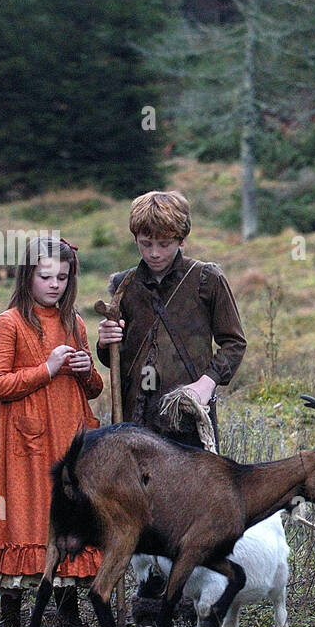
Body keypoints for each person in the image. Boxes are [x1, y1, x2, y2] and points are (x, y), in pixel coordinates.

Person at [0, 236, 104, 627]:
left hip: (66, 435)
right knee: (20, 513)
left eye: (62, 277)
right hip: (21, 441)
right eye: (45, 276)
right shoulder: (11, 323)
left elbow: (93, 389)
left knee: (65, 513)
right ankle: (11, 617)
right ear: (27, 276)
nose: (54, 284)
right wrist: (48, 368)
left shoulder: (75, 323)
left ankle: (68, 617)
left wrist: (86, 368)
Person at [96, 190, 246, 449]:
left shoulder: (206, 279)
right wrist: (105, 342)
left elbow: (234, 343)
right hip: (135, 421)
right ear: (136, 239)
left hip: (188, 415)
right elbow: (115, 359)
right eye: (146, 243)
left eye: (164, 244)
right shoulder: (124, 286)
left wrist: (206, 384)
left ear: (181, 240)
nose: (154, 253)